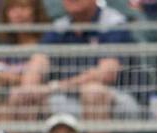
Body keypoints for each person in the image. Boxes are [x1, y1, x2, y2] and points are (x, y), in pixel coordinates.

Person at [8, 0, 141, 124]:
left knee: (93, 92)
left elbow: (105, 74)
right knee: (20, 94)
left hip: (118, 99)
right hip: (65, 97)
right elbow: (38, 62)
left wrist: (53, 87)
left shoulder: (113, 23)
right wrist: (29, 88)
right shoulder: (60, 26)